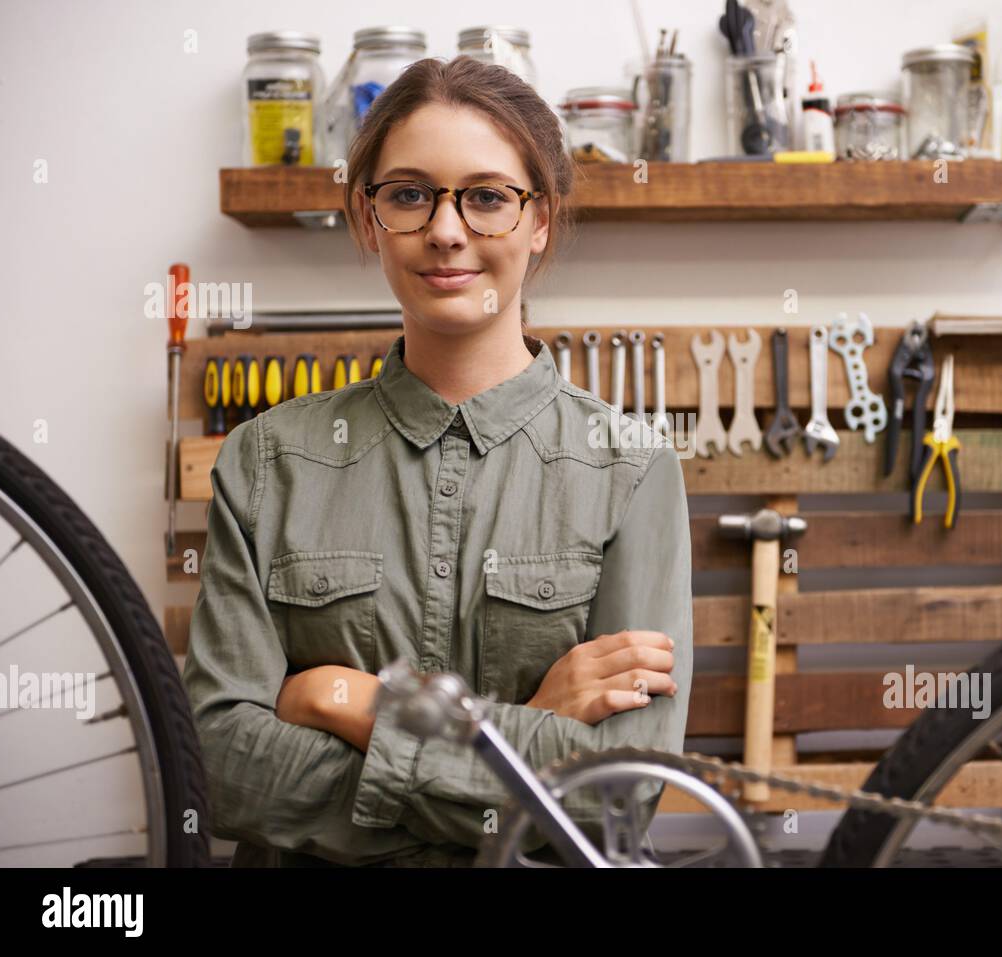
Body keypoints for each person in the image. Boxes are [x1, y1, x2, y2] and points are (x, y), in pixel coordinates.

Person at [181, 55, 693, 867]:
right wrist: (524, 728)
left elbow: (610, 799)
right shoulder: (264, 461)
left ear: (541, 221)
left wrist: (344, 699)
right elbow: (220, 766)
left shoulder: (631, 469)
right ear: (368, 217)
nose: (446, 229)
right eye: (411, 194)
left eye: (487, 196)